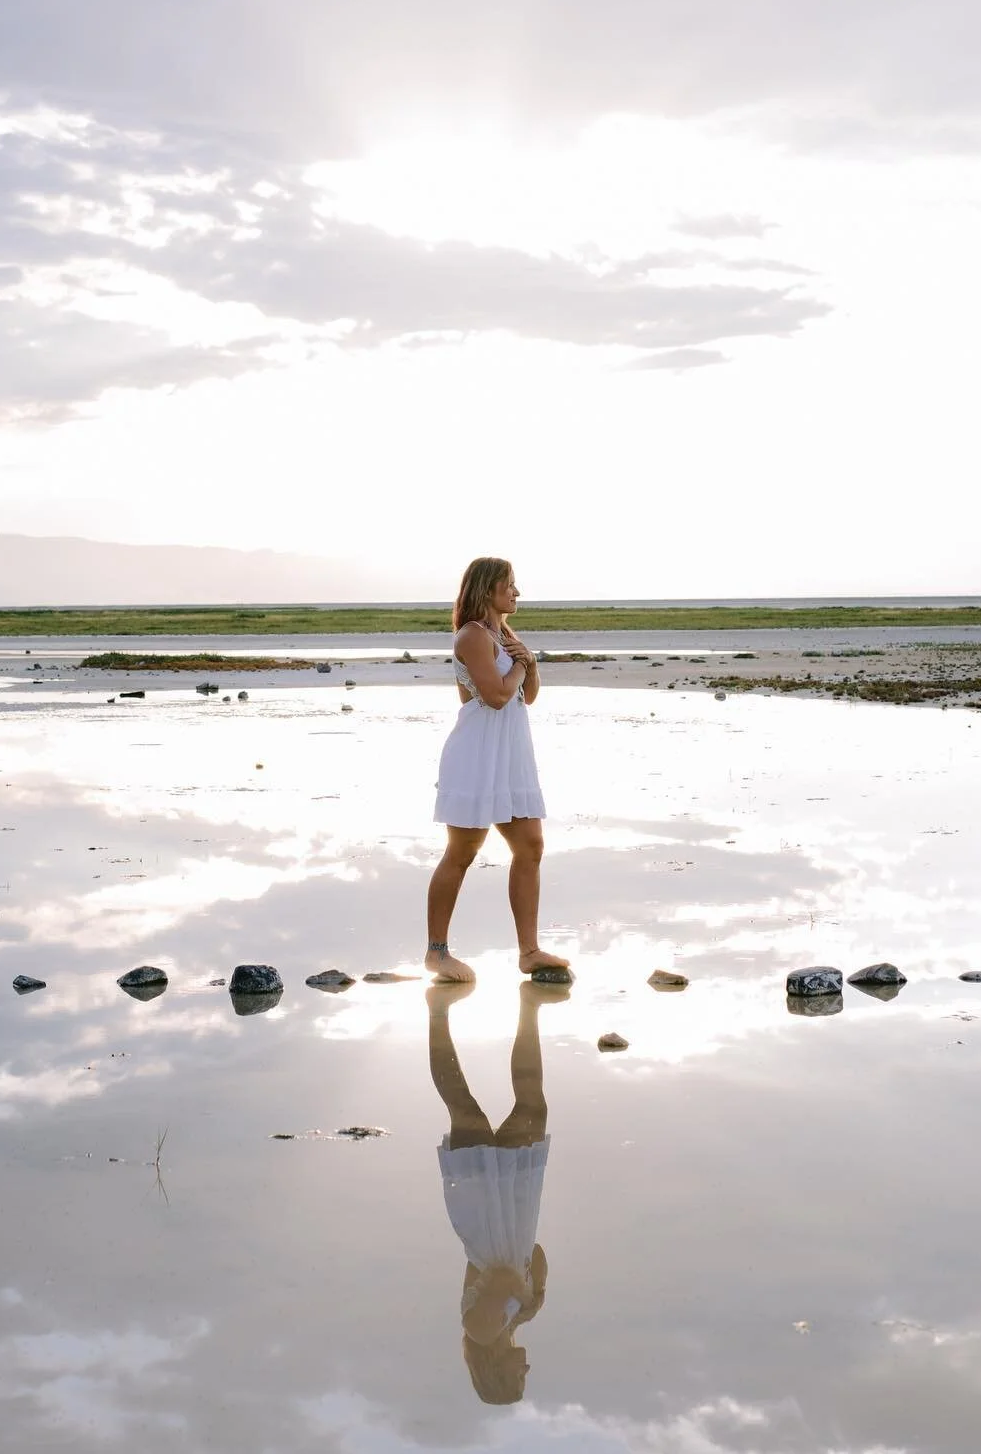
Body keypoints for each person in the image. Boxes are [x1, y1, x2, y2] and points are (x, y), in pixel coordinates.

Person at [426, 557, 570, 983]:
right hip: (476, 756)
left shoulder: (503, 634)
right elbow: (493, 696)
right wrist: (523, 665)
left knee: (531, 846)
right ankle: (437, 953)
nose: (516, 592)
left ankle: (529, 951)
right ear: (488, 589)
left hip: (510, 756)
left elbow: (528, 696)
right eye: (509, 585)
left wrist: (532, 665)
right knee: (462, 853)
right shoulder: (472, 635)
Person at [428, 980, 561, 1405]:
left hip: (484, 1211)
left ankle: (437, 1014)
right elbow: (535, 1255)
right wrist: (535, 1293)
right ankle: (528, 1011)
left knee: (462, 1103)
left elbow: (504, 1275)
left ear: (496, 1374)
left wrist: (527, 1298)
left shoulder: (483, 1330)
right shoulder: (512, 1323)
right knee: (532, 1105)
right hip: (516, 1214)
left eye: (518, 1379)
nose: (527, 1369)